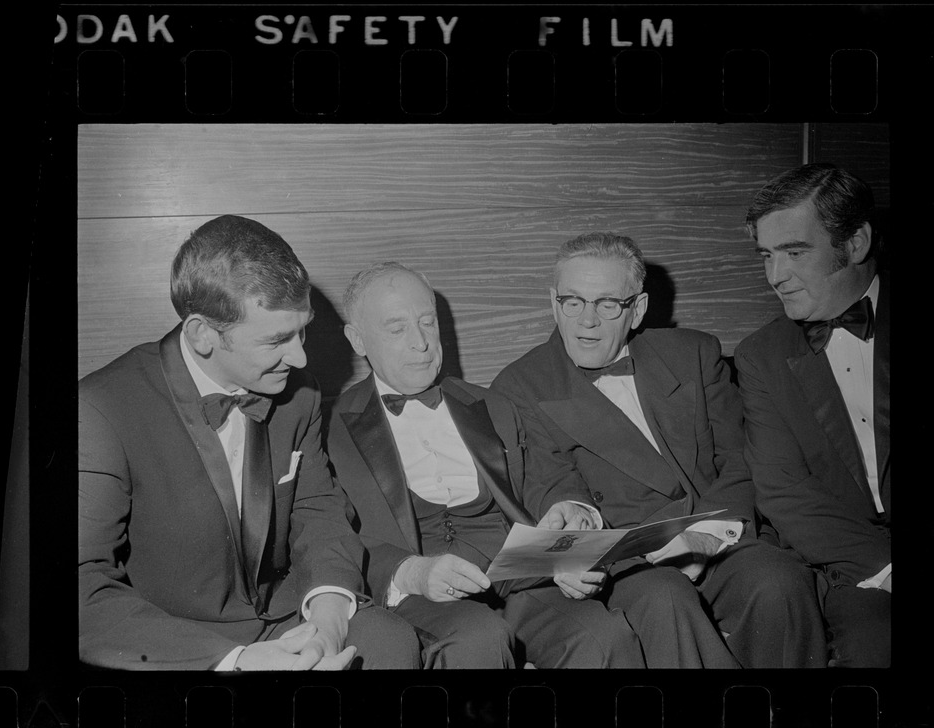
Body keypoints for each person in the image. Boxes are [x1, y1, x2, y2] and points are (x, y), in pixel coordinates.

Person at [79, 215, 420, 670]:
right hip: (180, 640)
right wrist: (237, 660)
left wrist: (329, 615)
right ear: (203, 335)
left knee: (391, 644)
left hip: (286, 614)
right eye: (277, 339)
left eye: (303, 330)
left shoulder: (301, 392)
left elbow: (318, 509)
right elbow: (80, 586)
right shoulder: (100, 410)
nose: (300, 356)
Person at [492, 232, 827, 668]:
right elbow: (549, 479)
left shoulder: (695, 354)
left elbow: (741, 456)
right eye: (572, 302)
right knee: (663, 596)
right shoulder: (519, 385)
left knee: (778, 580)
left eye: (607, 303)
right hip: (629, 562)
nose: (586, 321)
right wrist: (572, 515)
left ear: (638, 310)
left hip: (717, 533)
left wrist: (711, 534)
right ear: (554, 302)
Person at [327, 262, 645, 668]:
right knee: (479, 638)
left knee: (605, 636)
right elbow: (332, 534)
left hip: (518, 577)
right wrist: (411, 572)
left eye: (427, 322)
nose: (421, 343)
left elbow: (545, 478)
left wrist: (566, 514)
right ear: (357, 340)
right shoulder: (330, 429)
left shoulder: (491, 403)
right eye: (397, 329)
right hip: (419, 596)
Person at [735, 164, 890, 667]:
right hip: (858, 565)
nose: (775, 277)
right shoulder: (762, 356)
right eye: (766, 256)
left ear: (857, 242)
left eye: (796, 252)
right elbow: (783, 492)